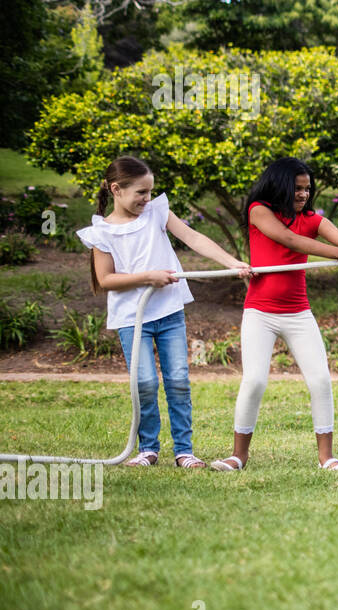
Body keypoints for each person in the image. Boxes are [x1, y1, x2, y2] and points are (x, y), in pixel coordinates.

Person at [210, 157, 338, 472]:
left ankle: (327, 457)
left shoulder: (312, 219)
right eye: (297, 188)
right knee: (254, 381)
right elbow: (289, 239)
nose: (303, 195)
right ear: (280, 185)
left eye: (307, 189)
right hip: (260, 313)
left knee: (321, 380)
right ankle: (238, 455)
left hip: (298, 313)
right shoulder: (259, 210)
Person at [76, 156, 250, 468]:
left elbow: (193, 237)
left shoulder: (156, 212)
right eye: (140, 192)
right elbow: (105, 280)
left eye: (150, 191)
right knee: (144, 383)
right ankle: (148, 449)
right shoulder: (100, 232)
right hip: (133, 319)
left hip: (169, 313)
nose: (147, 198)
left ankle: (184, 450)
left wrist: (231, 262)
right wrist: (148, 277)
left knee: (179, 381)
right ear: (116, 189)